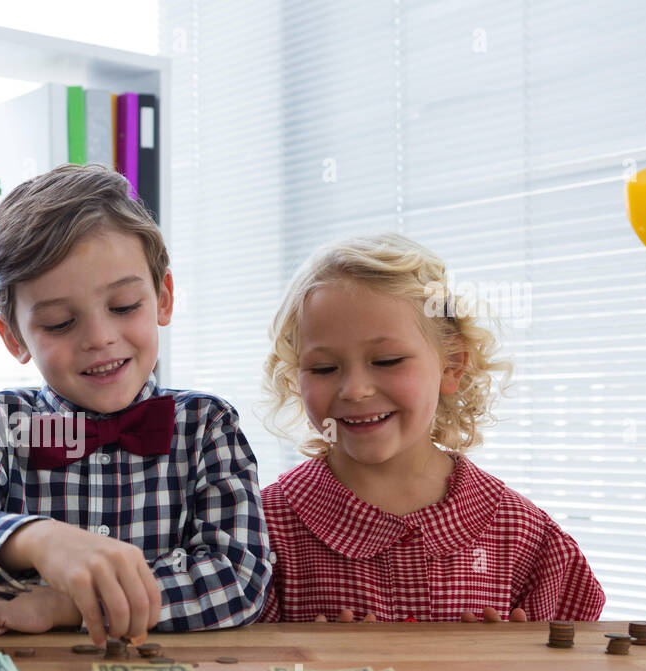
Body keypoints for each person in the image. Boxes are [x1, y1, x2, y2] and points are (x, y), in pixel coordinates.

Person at [0, 163, 271, 642]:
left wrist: (69, 604)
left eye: (123, 307)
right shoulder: (1, 423)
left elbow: (238, 580)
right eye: (58, 323)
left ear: (163, 297)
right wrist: (36, 540)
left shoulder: (205, 426)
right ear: (14, 337)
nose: (99, 338)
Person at [258, 233, 605, 622]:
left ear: (452, 364)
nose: (354, 390)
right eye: (323, 368)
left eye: (387, 361)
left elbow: (573, 670)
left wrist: (507, 665)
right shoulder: (258, 533)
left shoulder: (524, 535)